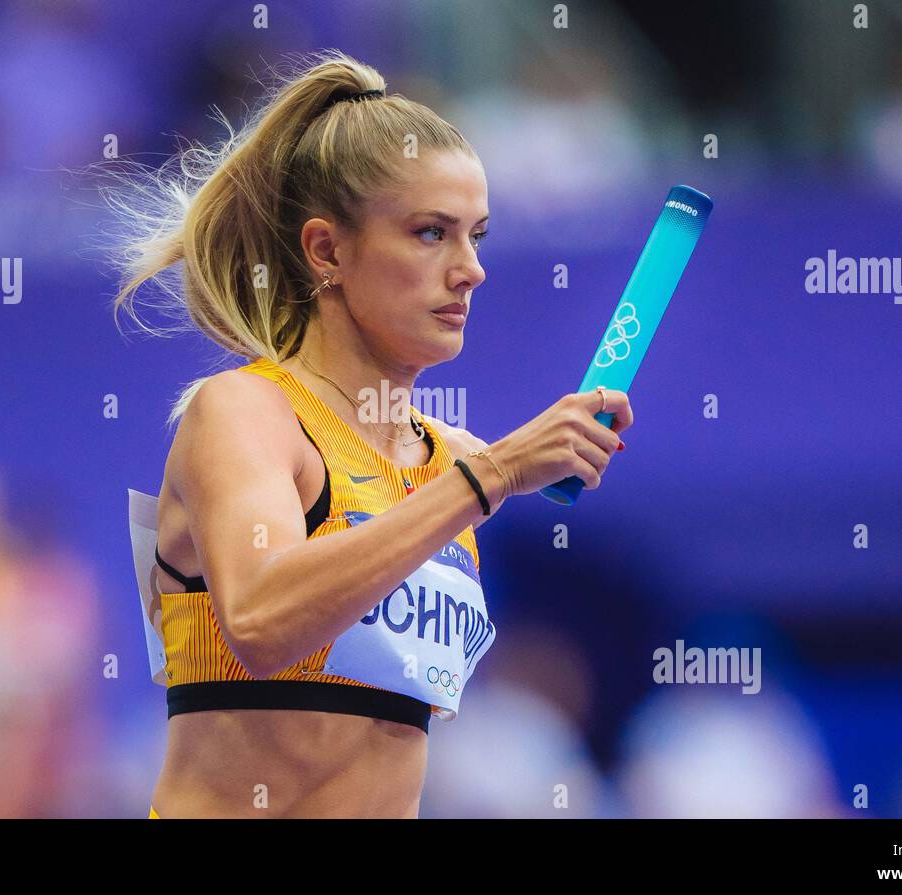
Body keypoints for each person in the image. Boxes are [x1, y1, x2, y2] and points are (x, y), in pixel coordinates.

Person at [108, 50, 632, 818]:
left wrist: (483, 475)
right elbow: (259, 622)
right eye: (431, 234)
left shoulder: (450, 460)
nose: (470, 271)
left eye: (476, 236)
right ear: (327, 250)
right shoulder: (244, 412)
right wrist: (488, 481)